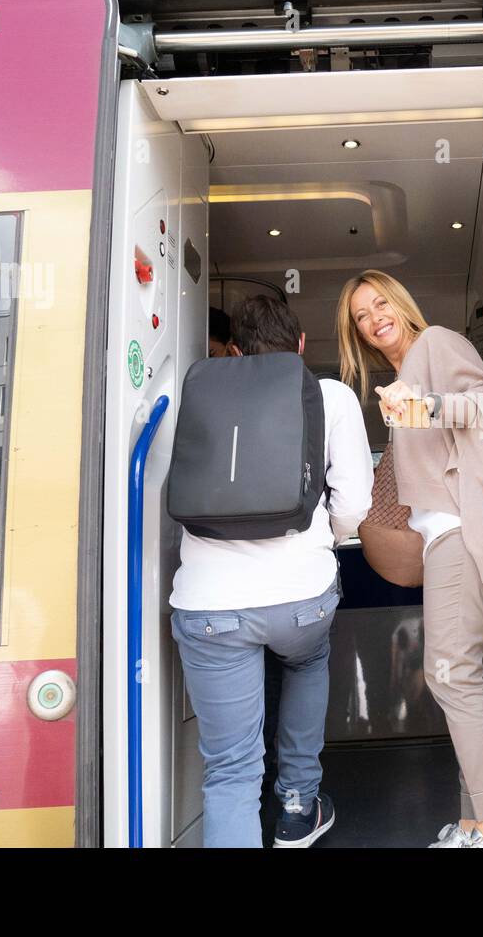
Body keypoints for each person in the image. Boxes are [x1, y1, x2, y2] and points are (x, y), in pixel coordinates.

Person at [336, 269, 483, 848]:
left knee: (450, 676)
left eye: (380, 305)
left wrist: (428, 405)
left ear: (401, 301)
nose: (375, 320)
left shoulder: (436, 343)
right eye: (361, 317)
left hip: (458, 535)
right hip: (445, 540)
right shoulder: (404, 377)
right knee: (460, 676)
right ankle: (475, 824)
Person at [169, 294, 373, 847]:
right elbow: (354, 506)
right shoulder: (330, 395)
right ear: (302, 345)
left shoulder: (196, 394)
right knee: (307, 662)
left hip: (209, 606)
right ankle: (298, 805)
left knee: (231, 771)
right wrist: (324, 535)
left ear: (233, 351)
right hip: (300, 598)